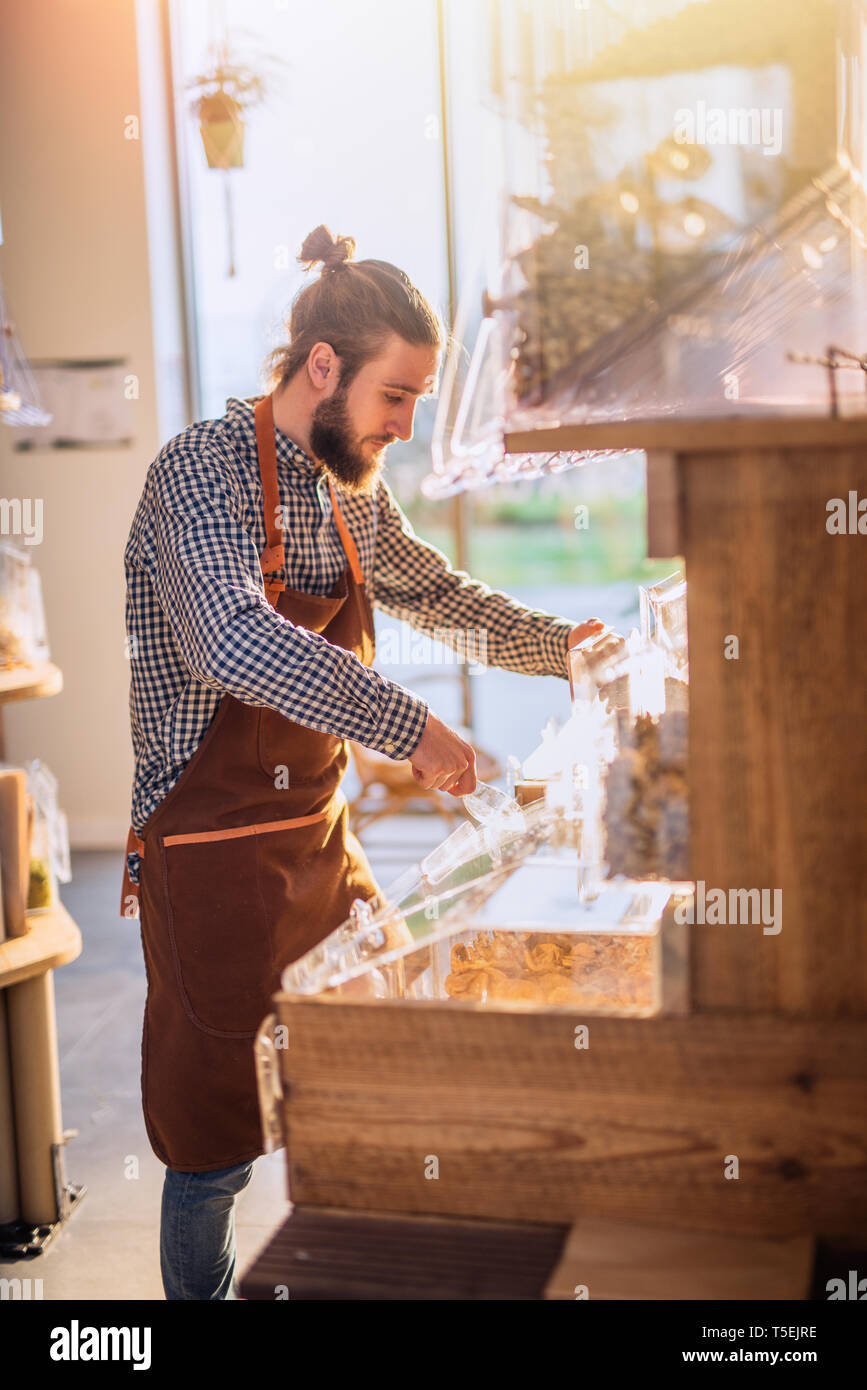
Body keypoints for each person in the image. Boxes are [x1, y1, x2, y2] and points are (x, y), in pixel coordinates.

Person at [121, 223, 604, 1299]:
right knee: (218, 1145)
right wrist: (420, 733)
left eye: (422, 402)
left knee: (373, 1070)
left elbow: (439, 599)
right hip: (207, 861)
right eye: (398, 397)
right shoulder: (198, 473)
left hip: (321, 842)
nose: (407, 424)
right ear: (323, 366)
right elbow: (234, 642)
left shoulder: (350, 488)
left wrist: (562, 649)